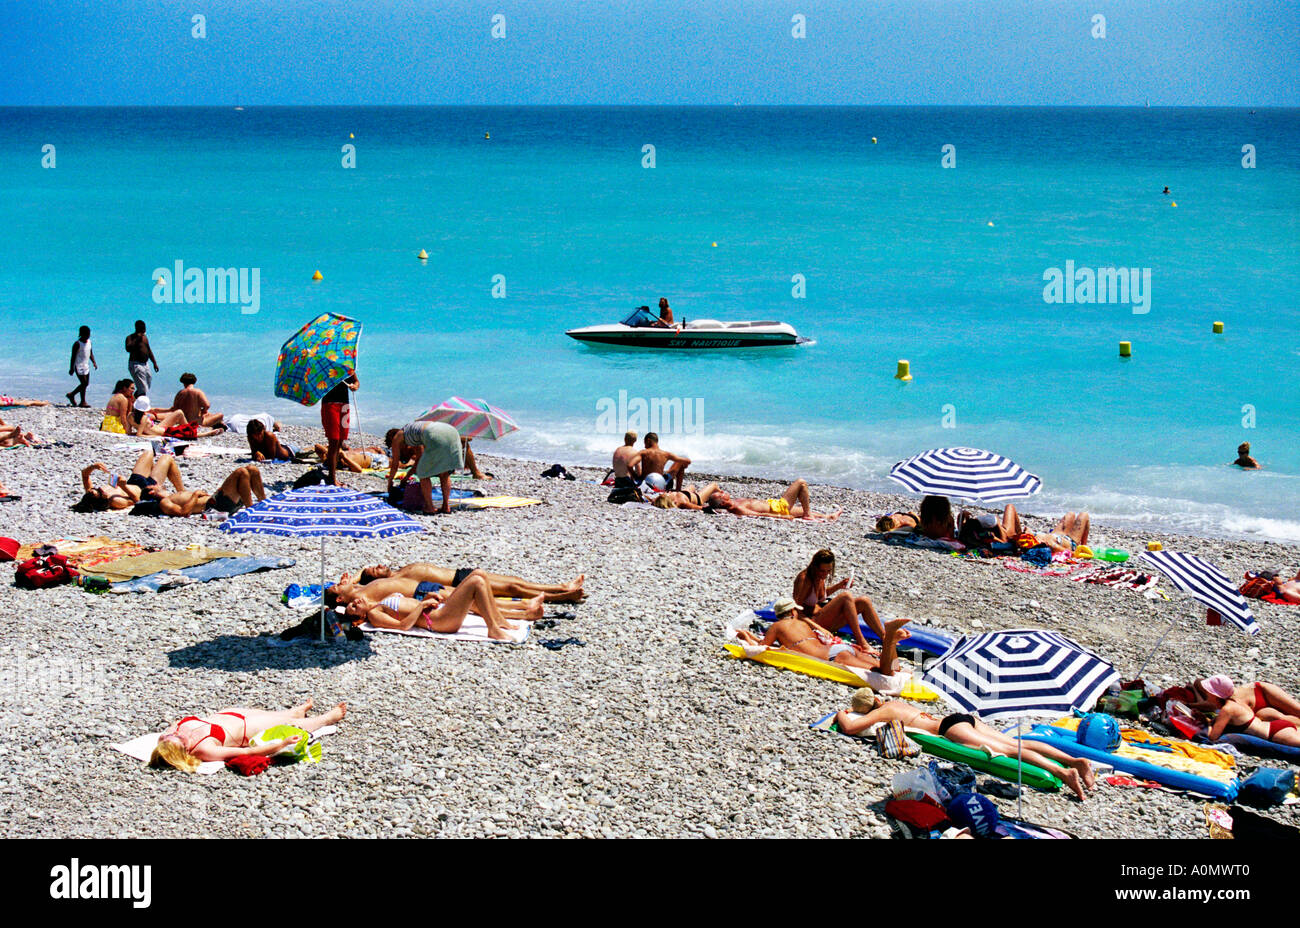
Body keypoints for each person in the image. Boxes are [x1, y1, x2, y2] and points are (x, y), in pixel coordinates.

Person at [833, 688, 1094, 801]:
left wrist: (841, 714)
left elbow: (851, 728)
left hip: (948, 728)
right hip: (962, 718)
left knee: (1007, 750)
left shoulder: (884, 711)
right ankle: (1075, 761)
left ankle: (1063, 772)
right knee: (1014, 742)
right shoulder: (895, 702)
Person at [149, 699, 346, 771]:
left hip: (228, 715)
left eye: (172, 735)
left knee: (274, 715)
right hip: (245, 729)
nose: (179, 733)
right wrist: (281, 744)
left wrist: (170, 736)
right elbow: (247, 753)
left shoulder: (166, 738)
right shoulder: (203, 749)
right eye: (180, 739)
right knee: (294, 725)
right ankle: (327, 719)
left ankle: (294, 711)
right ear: (185, 750)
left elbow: (170, 735)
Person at [733, 596, 909, 674]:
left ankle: (890, 639)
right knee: (893, 669)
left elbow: (763, 647)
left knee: (884, 672)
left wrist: (747, 637)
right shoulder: (803, 624)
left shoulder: (777, 626)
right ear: (793, 611)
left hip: (834, 655)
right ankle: (891, 643)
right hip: (839, 647)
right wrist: (751, 636)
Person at [343, 569, 521, 640]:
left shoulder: (379, 602)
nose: (356, 601)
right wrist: (421, 607)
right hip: (439, 621)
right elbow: (403, 626)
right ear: (360, 617)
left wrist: (426, 599)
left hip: (439, 612)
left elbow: (408, 606)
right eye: (354, 607)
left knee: (479, 574)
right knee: (476, 581)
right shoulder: (374, 614)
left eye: (353, 602)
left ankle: (497, 619)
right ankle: (492, 628)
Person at [329, 572, 544, 622]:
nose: (340, 583)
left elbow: (363, 571)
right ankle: (523, 610)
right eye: (337, 587)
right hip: (420, 594)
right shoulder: (363, 600)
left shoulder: (360, 589)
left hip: (423, 589)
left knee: (476, 603)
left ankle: (523, 607)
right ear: (340, 599)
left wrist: (349, 580)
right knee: (475, 603)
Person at [351, 562, 586, 603]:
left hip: (461, 572)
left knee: (515, 581)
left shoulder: (400, 570)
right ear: (376, 579)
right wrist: (361, 576)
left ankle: (561, 586)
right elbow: (360, 583)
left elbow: (364, 572)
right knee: (512, 589)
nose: (378, 565)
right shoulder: (398, 581)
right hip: (458, 583)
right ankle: (561, 596)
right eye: (375, 570)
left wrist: (365, 572)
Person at [793, 548, 883, 648]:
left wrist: (839, 585)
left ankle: (886, 639)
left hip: (821, 619)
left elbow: (820, 596)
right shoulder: (805, 579)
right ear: (815, 566)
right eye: (822, 571)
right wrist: (818, 628)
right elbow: (795, 610)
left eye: (828, 571)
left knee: (864, 601)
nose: (825, 574)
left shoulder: (819, 577)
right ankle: (863, 643)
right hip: (810, 624)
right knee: (846, 596)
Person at [386, 420, 463, 514]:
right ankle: (446, 506)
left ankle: (429, 507)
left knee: (423, 473)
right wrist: (405, 478)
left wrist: (390, 483)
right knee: (444, 473)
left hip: (434, 433)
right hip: (451, 431)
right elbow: (419, 460)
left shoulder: (397, 437)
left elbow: (395, 464)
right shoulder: (413, 434)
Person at [76, 450, 185, 511]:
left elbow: (84, 475)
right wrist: (124, 487)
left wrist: (93, 467)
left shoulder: (91, 494)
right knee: (167, 458)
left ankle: (155, 474)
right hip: (145, 488)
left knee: (148, 453)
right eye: (99, 492)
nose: (99, 489)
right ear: (103, 498)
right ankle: (182, 493)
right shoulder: (115, 501)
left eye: (96, 489)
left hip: (134, 481)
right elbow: (137, 501)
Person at [1189, 675, 1300, 726]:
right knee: (1271, 715)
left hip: (1261, 692)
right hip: (1258, 706)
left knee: (1297, 711)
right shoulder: (1220, 700)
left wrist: (1190, 704)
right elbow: (1198, 683)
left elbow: (1209, 706)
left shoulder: (1230, 705)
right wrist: (1192, 701)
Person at [707, 480, 840, 521]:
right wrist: (782, 517)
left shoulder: (734, 502)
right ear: (723, 503)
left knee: (801, 511)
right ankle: (808, 515)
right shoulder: (737, 508)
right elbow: (758, 515)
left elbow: (707, 506)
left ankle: (828, 517)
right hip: (778, 509)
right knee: (801, 483)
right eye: (721, 494)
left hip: (775, 505)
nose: (723, 491)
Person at [320, 372, 358, 485]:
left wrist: (354, 386)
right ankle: (332, 478)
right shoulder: (323, 368)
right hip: (330, 404)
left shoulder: (346, 366)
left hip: (345, 405)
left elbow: (356, 381)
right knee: (334, 440)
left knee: (341, 441)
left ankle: (332, 473)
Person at [125, 320, 159, 399]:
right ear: (137, 328)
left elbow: (149, 350)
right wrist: (138, 338)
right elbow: (128, 349)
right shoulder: (130, 337)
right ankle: (140, 403)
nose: (144, 330)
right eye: (142, 329)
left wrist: (154, 363)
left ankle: (135, 399)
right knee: (143, 388)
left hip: (145, 364)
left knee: (147, 384)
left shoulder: (145, 338)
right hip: (136, 364)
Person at [66, 325, 97, 407]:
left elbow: (90, 353)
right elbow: (73, 357)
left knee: (86, 384)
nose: (88, 336)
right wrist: (71, 368)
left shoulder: (89, 342)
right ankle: (71, 395)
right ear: (81, 334)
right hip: (78, 366)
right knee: (84, 383)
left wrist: (94, 362)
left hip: (86, 365)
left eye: (89, 334)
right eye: (86, 334)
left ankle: (82, 401)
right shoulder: (77, 344)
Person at [651, 482, 720, 510]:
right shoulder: (682, 502)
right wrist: (707, 508)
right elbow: (698, 507)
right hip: (698, 498)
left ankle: (708, 496)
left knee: (692, 486)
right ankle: (722, 496)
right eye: (668, 494)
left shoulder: (662, 500)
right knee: (714, 485)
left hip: (684, 494)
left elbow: (655, 500)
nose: (668, 492)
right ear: (668, 499)